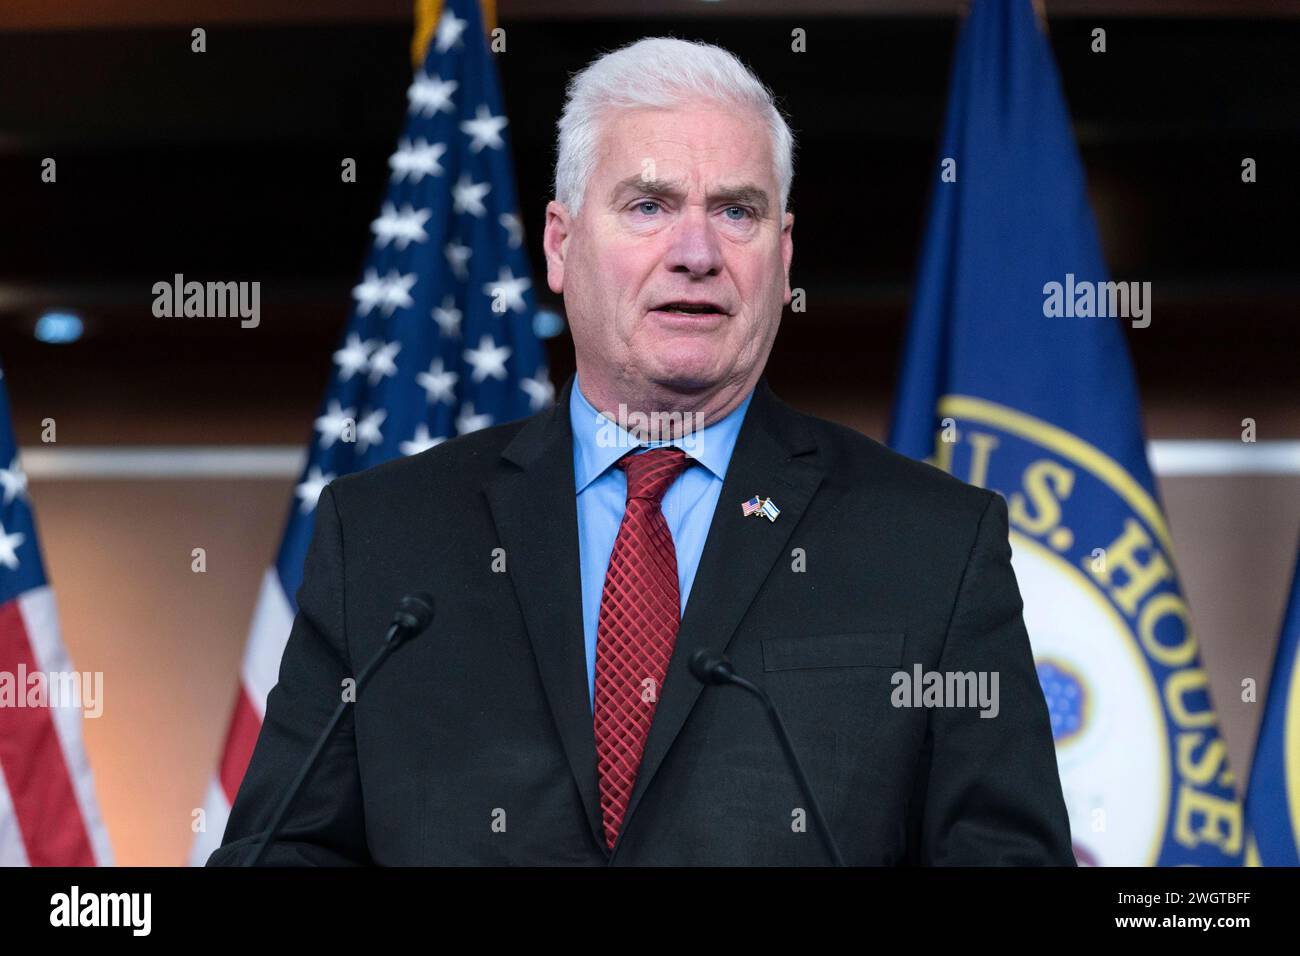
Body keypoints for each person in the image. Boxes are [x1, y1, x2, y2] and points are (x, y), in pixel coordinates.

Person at [208, 36, 1073, 866]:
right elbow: (284, 850)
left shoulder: (933, 544)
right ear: (560, 243)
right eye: (649, 207)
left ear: (783, 257)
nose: (696, 254)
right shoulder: (384, 537)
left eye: (736, 212)